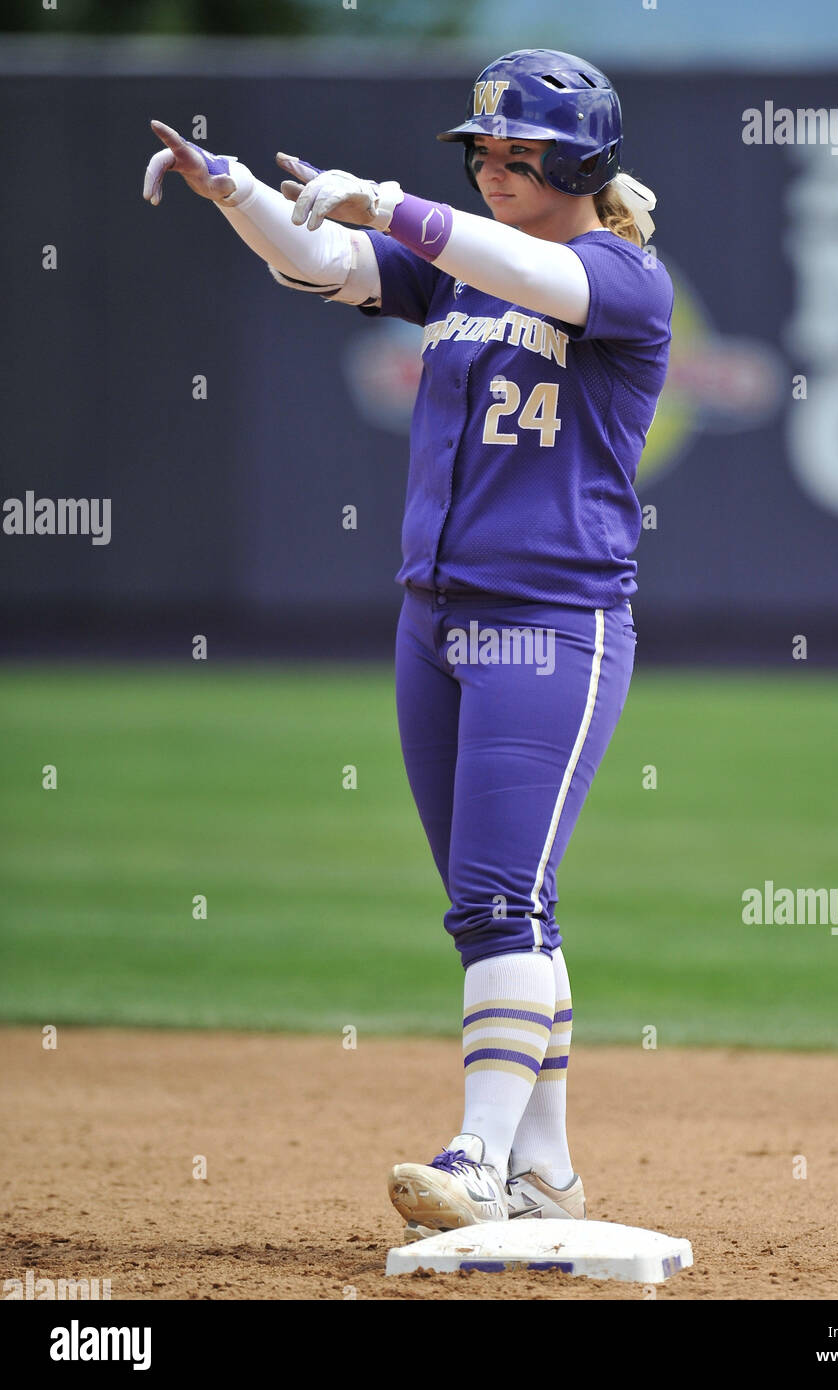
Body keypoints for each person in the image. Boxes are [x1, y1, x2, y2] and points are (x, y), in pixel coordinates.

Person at [143, 47, 673, 1243]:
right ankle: (545, 1173)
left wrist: (391, 201)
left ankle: (478, 1158)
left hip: (550, 622)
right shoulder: (459, 276)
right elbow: (321, 257)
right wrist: (236, 191)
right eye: (480, 148)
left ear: (581, 162)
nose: (490, 165)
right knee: (497, 907)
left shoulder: (622, 278)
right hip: (433, 617)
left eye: (515, 149)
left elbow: (502, 262)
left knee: (498, 895)